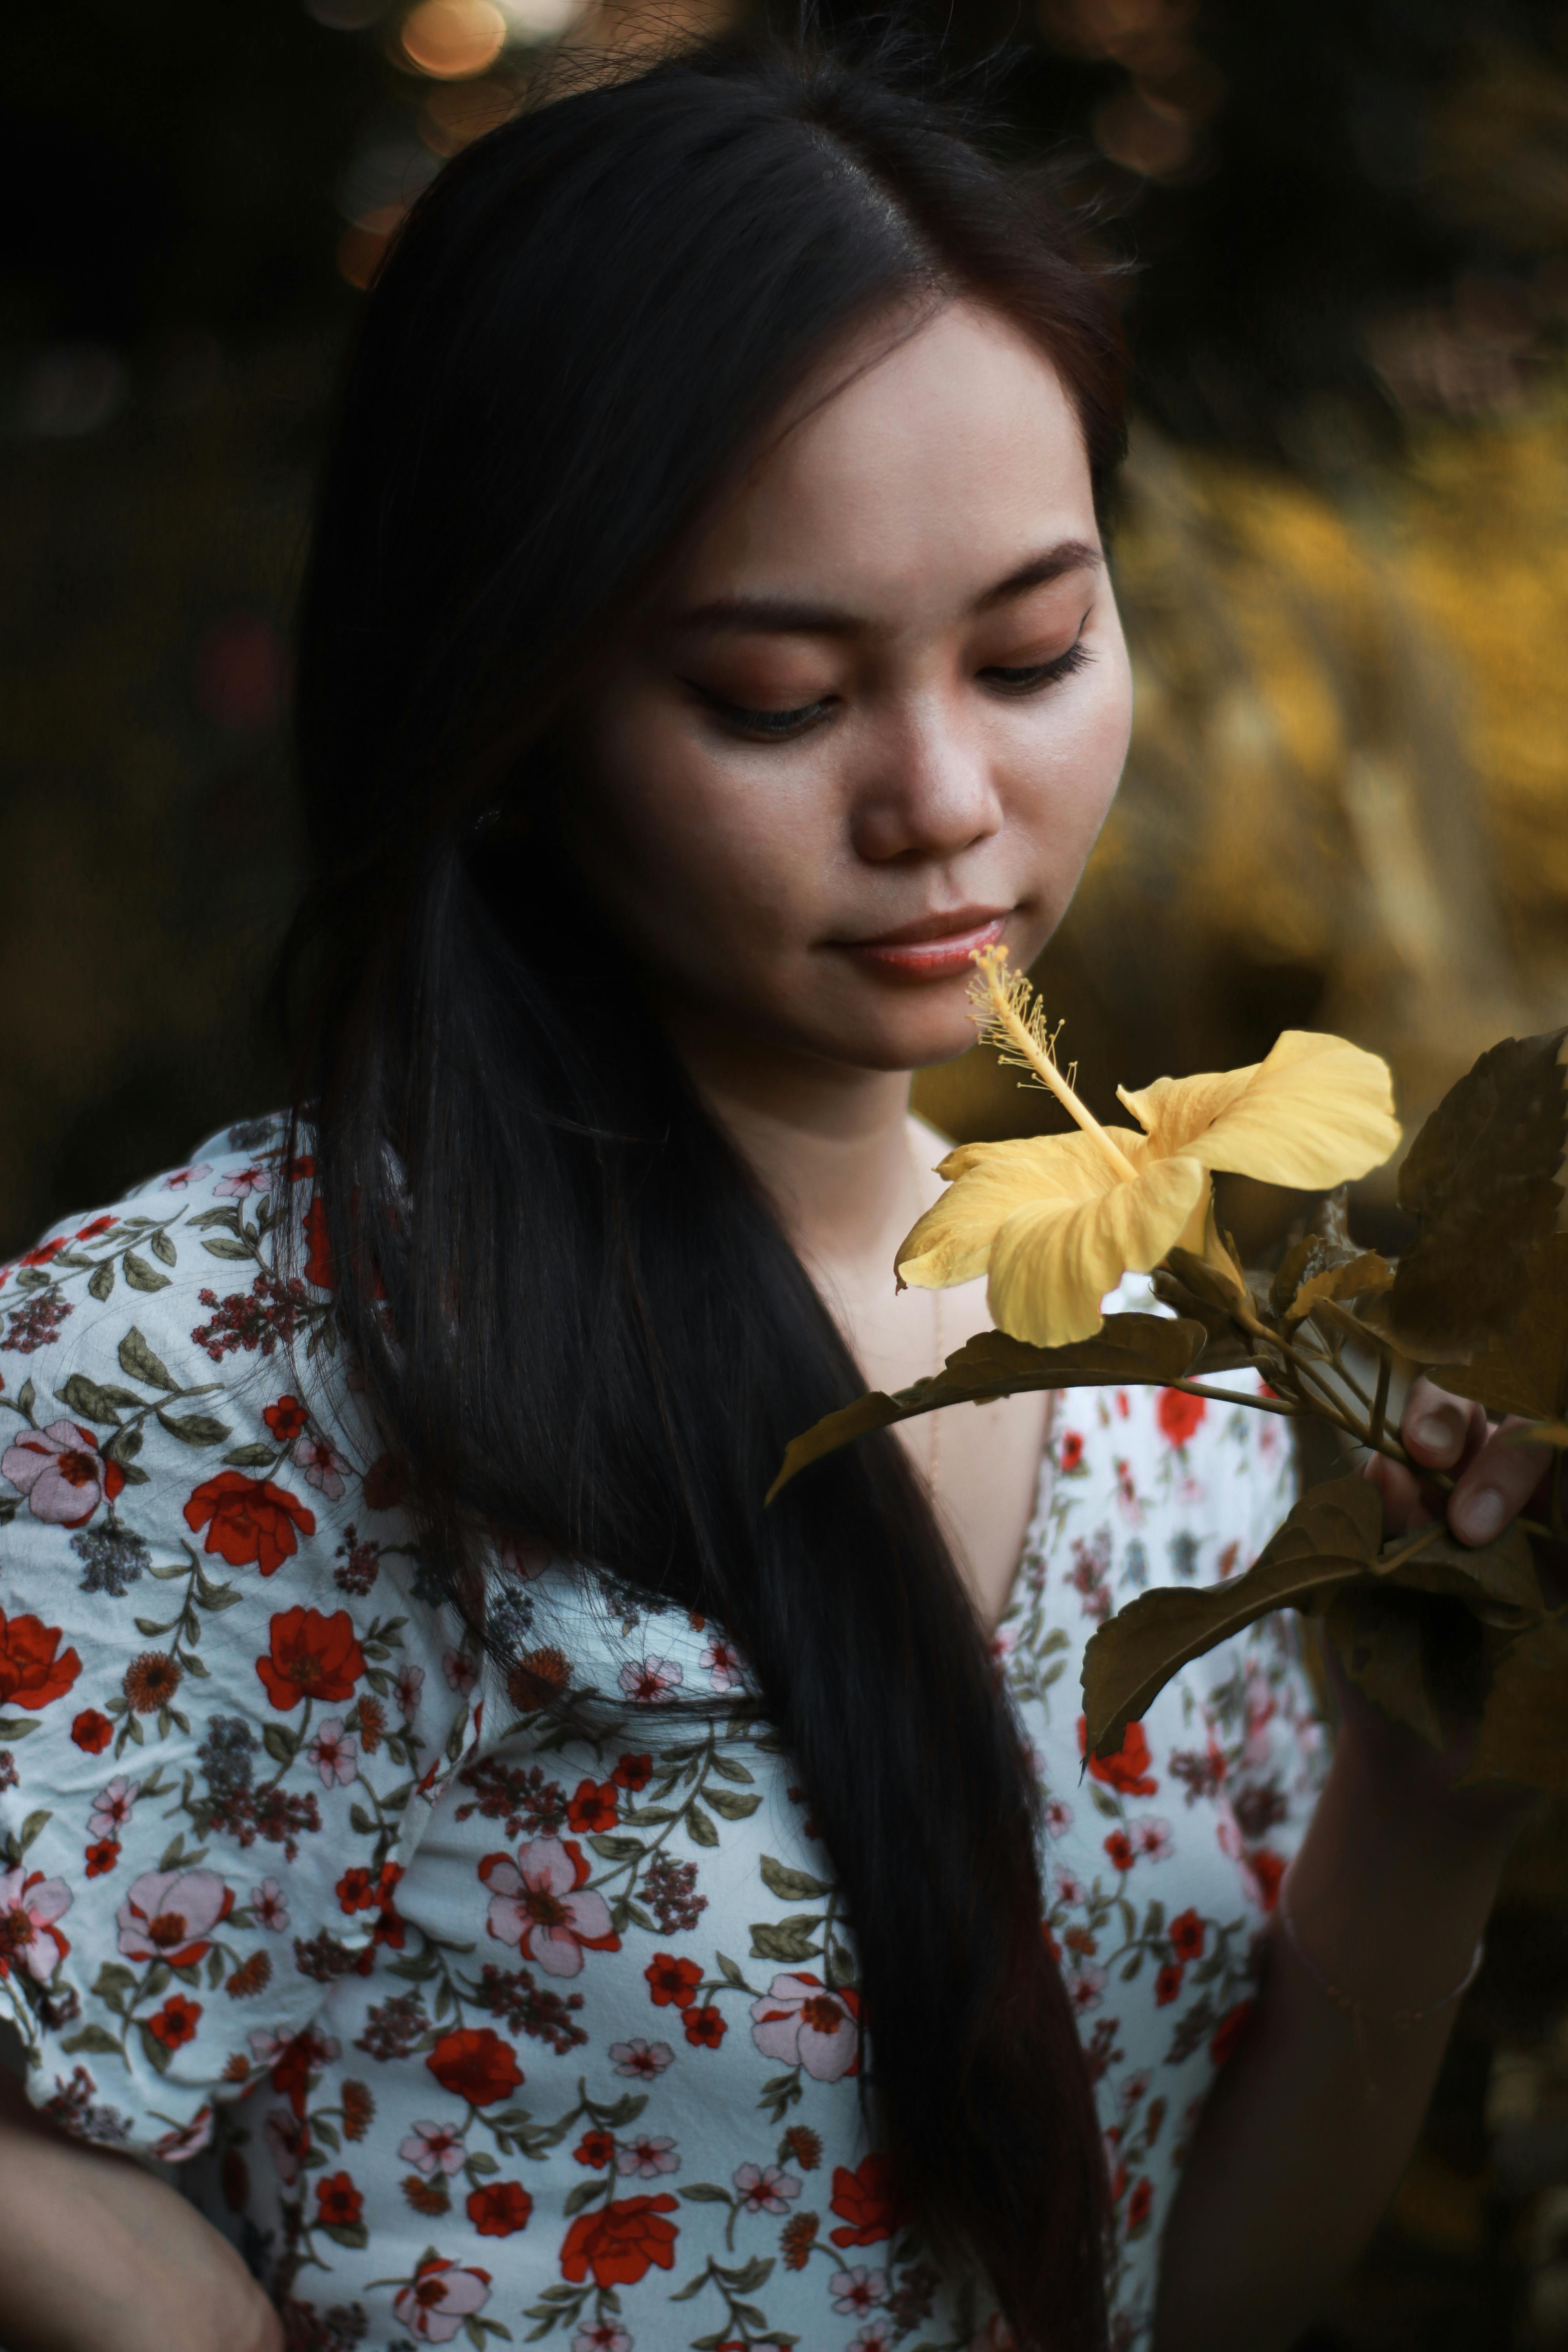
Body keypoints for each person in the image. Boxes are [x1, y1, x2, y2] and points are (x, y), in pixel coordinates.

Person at [0, 32, 1549, 2352]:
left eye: (1033, 651)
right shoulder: (242, 1352)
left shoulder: (1184, 1392)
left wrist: (1425, 1828)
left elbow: (1168, 2291)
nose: (944, 796)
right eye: (772, 698)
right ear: (517, 701)